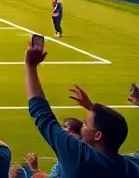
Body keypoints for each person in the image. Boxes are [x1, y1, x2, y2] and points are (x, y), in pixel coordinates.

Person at [23, 38, 137, 178]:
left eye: (86, 123)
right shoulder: (131, 167)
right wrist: (92, 107)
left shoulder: (78, 157)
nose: (82, 125)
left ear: (98, 135)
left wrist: (30, 66)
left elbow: (41, 113)